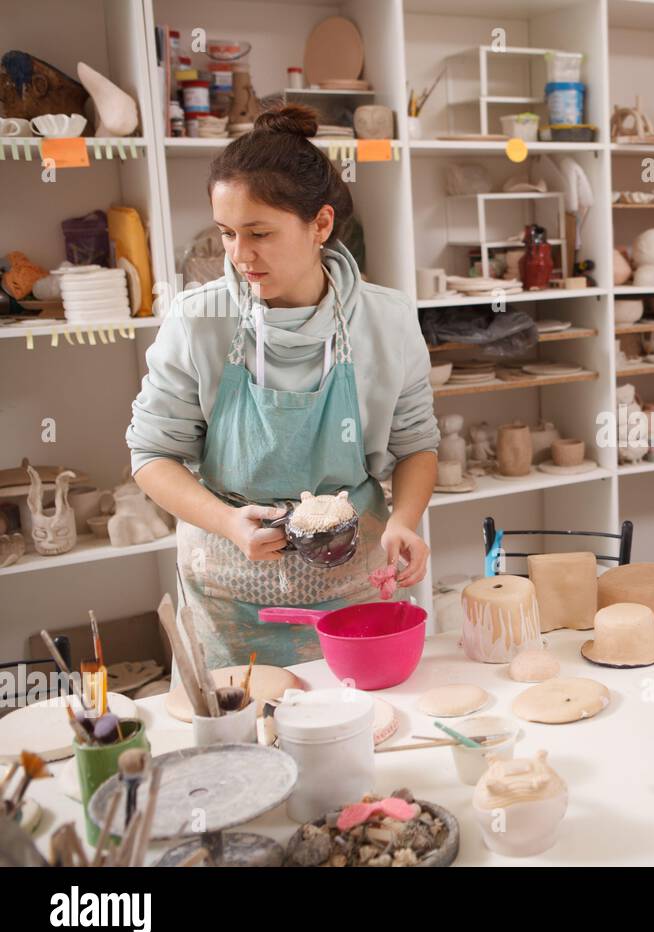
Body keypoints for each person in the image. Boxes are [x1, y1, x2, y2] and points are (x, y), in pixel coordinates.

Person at [127, 105, 438, 668]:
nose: (240, 255)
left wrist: (404, 521)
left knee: (359, 734)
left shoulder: (387, 320)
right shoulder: (200, 319)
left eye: (260, 233)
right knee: (239, 742)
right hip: (227, 593)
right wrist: (227, 522)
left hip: (349, 585)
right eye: (226, 234)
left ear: (320, 224)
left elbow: (417, 444)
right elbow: (151, 456)